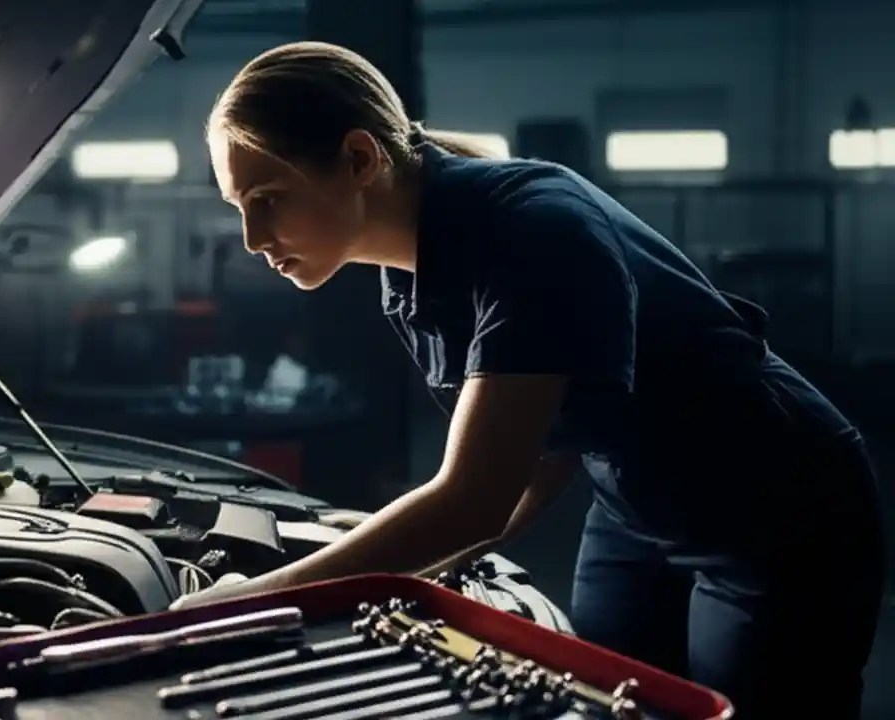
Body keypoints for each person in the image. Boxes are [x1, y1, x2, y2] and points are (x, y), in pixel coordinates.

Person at [170, 40, 886, 718]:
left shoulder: (533, 233)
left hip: (776, 500)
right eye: (240, 208)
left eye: (268, 197)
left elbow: (471, 499)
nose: (252, 239)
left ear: (359, 158)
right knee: (610, 702)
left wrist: (248, 602)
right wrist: (423, 553)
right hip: (635, 495)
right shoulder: (409, 273)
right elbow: (526, 455)